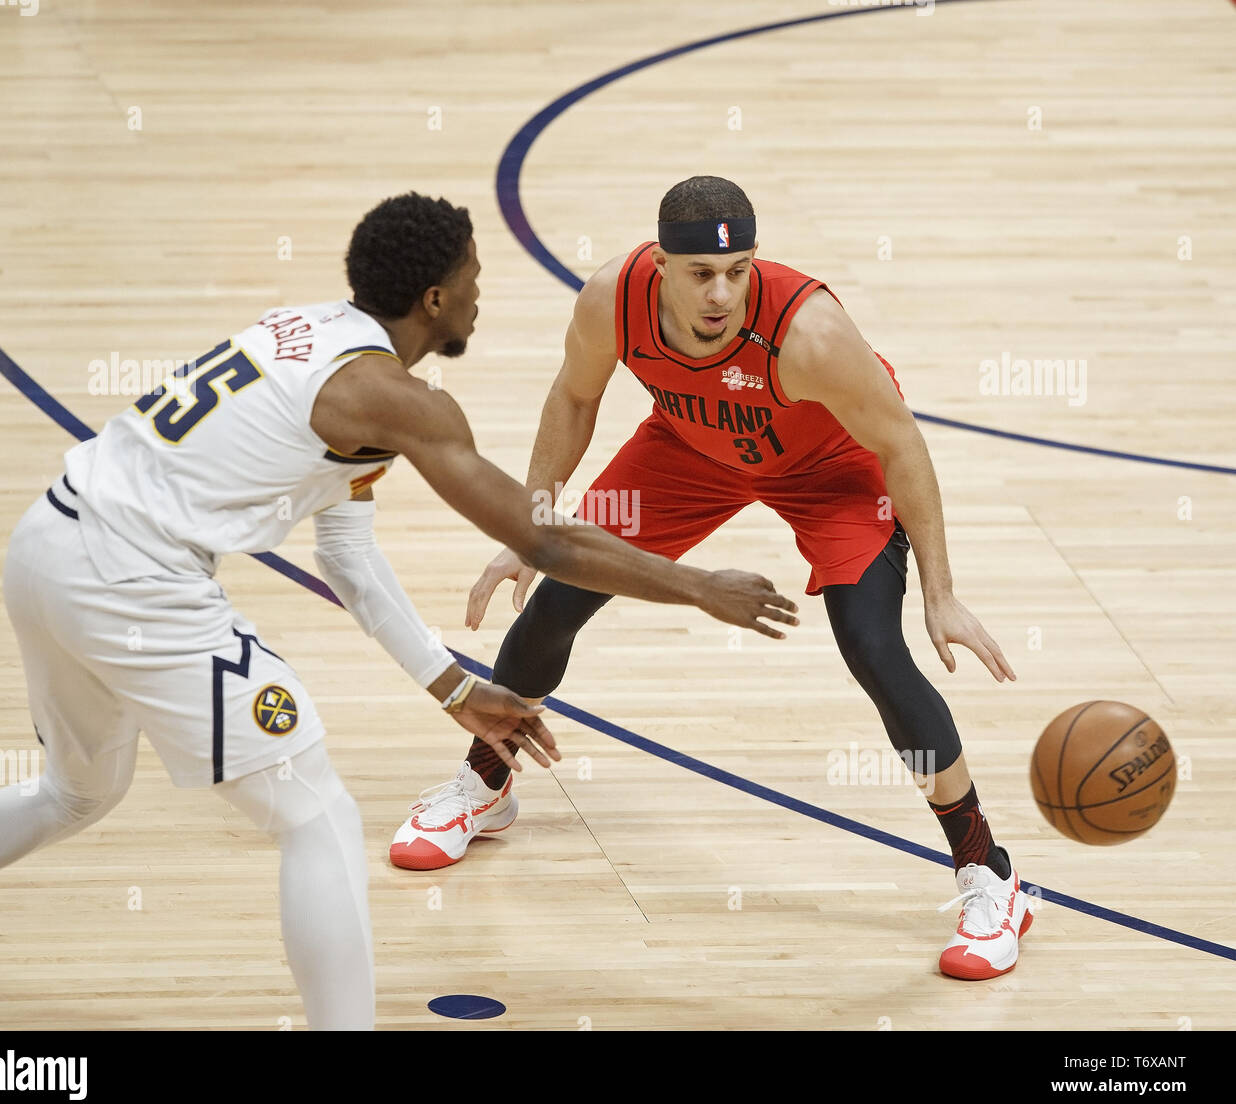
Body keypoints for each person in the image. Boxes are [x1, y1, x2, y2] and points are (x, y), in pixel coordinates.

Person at [0, 191, 798, 1030]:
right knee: (316, 814)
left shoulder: (309, 337)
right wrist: (697, 587)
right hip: (131, 578)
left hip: (46, 544)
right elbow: (547, 543)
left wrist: (454, 688)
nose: (478, 293)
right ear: (434, 299)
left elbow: (346, 555)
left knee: (76, 793)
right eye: (471, 277)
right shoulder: (398, 401)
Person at [390, 176, 1033, 981]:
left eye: (738, 271)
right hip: (692, 448)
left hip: (832, 466)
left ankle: (989, 873)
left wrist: (940, 593)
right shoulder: (610, 302)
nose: (722, 292)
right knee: (556, 598)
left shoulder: (812, 335)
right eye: (699, 273)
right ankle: (487, 783)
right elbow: (575, 394)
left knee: (873, 649)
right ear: (660, 264)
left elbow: (901, 444)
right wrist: (536, 522)